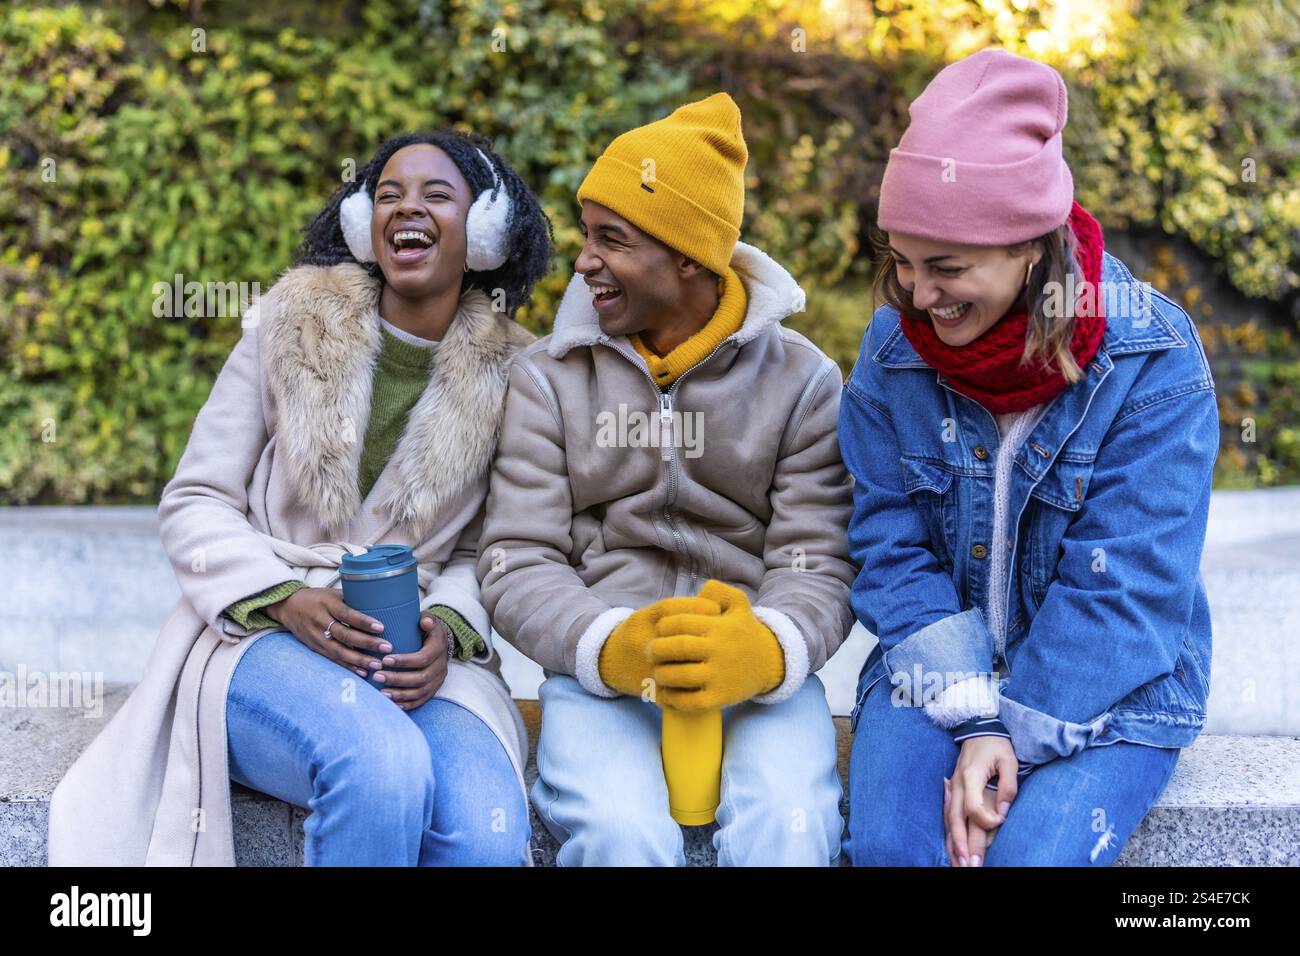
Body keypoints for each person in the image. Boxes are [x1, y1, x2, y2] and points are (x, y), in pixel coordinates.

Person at [48, 129, 552, 866]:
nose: (407, 209)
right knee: (380, 766)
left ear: (484, 232)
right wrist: (284, 597)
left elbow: (499, 549)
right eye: (388, 195)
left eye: (436, 195)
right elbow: (195, 499)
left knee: (486, 828)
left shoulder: (520, 373)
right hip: (258, 639)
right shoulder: (286, 322)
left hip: (419, 661)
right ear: (362, 224)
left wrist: (446, 627)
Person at [839, 48, 1218, 867]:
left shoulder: (1152, 360)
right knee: (892, 850)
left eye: (946, 267)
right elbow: (885, 542)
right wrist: (973, 715)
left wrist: (1011, 730)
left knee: (1028, 861)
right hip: (932, 666)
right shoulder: (890, 353)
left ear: (1032, 251)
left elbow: (1130, 585)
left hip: (1113, 688)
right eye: (901, 262)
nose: (917, 296)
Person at [476, 93, 857, 866]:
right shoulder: (548, 379)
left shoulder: (805, 381)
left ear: (688, 256)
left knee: (791, 826)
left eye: (611, 240)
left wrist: (771, 646)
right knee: (620, 834)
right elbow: (517, 555)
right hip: (604, 680)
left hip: (756, 677)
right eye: (588, 236)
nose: (584, 261)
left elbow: (820, 558)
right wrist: (608, 645)